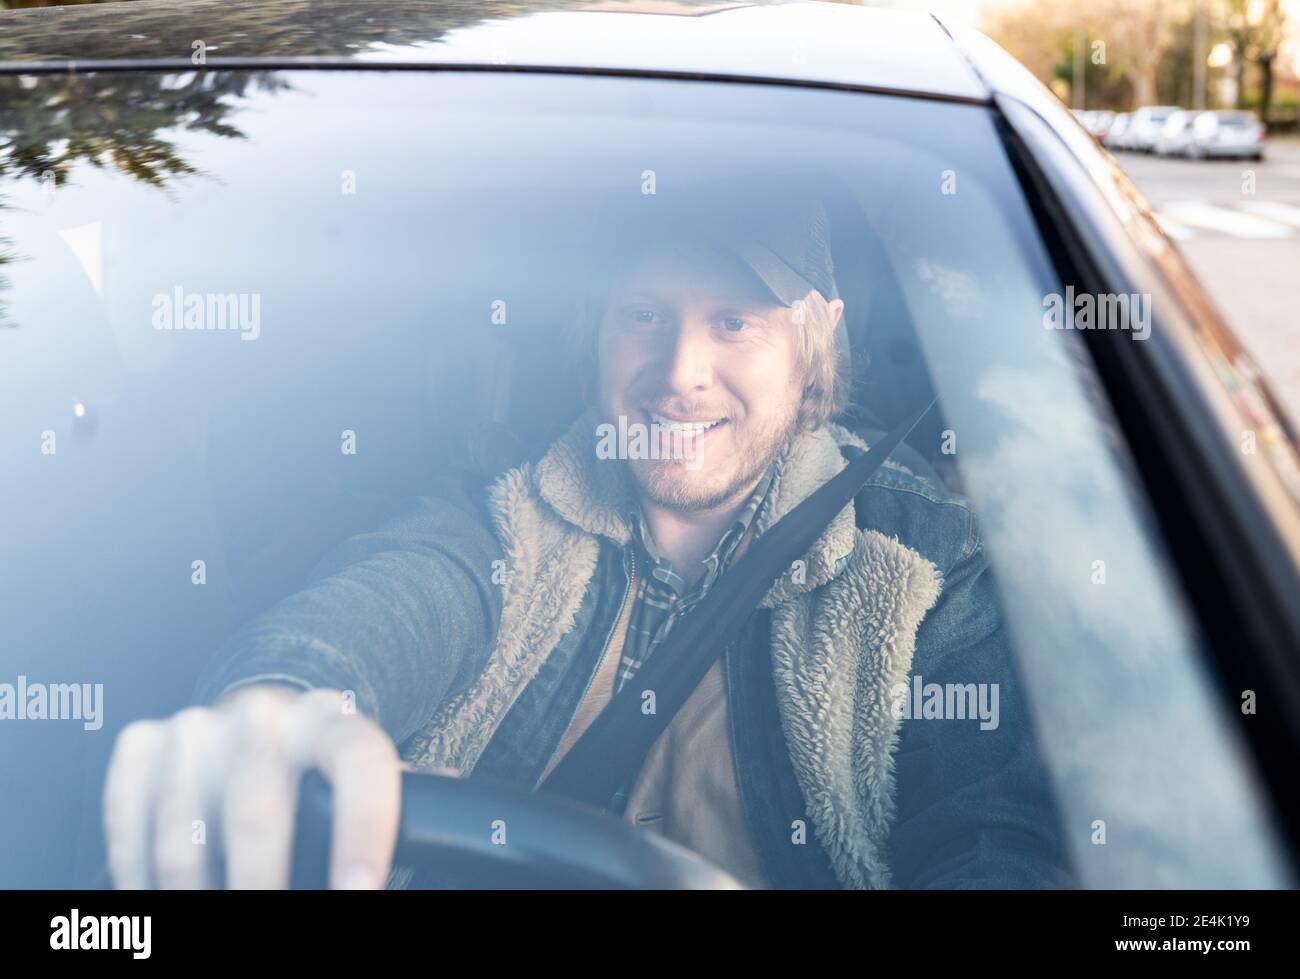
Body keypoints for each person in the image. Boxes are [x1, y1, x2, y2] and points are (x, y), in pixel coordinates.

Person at [103, 179, 1072, 890]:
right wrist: (282, 695)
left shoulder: (919, 558)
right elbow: (403, 591)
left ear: (811, 357)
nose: (678, 371)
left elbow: (991, 834)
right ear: (597, 336)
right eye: (642, 314)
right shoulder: (505, 494)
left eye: (733, 322)